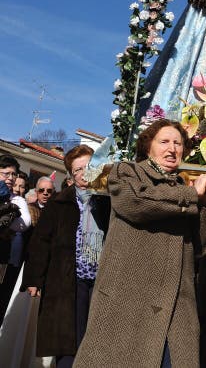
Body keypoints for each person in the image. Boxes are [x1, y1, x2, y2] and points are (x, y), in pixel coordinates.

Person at [74, 119, 206, 367]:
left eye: (178, 143)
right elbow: (137, 203)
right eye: (164, 142)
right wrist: (192, 196)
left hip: (176, 305)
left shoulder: (185, 191)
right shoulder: (127, 172)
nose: (172, 149)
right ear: (148, 146)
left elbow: (201, 247)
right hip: (127, 302)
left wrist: (203, 206)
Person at [22, 145, 110, 367]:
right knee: (68, 339)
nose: (84, 173)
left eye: (89, 166)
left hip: (103, 280)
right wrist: (34, 278)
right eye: (78, 169)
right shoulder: (59, 203)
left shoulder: (110, 200)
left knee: (99, 337)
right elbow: (41, 241)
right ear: (71, 176)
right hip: (68, 279)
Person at [0, 155, 32, 324]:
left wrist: (7, 217)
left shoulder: (17, 200)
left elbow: (24, 223)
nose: (11, 178)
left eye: (14, 174)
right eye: (6, 174)